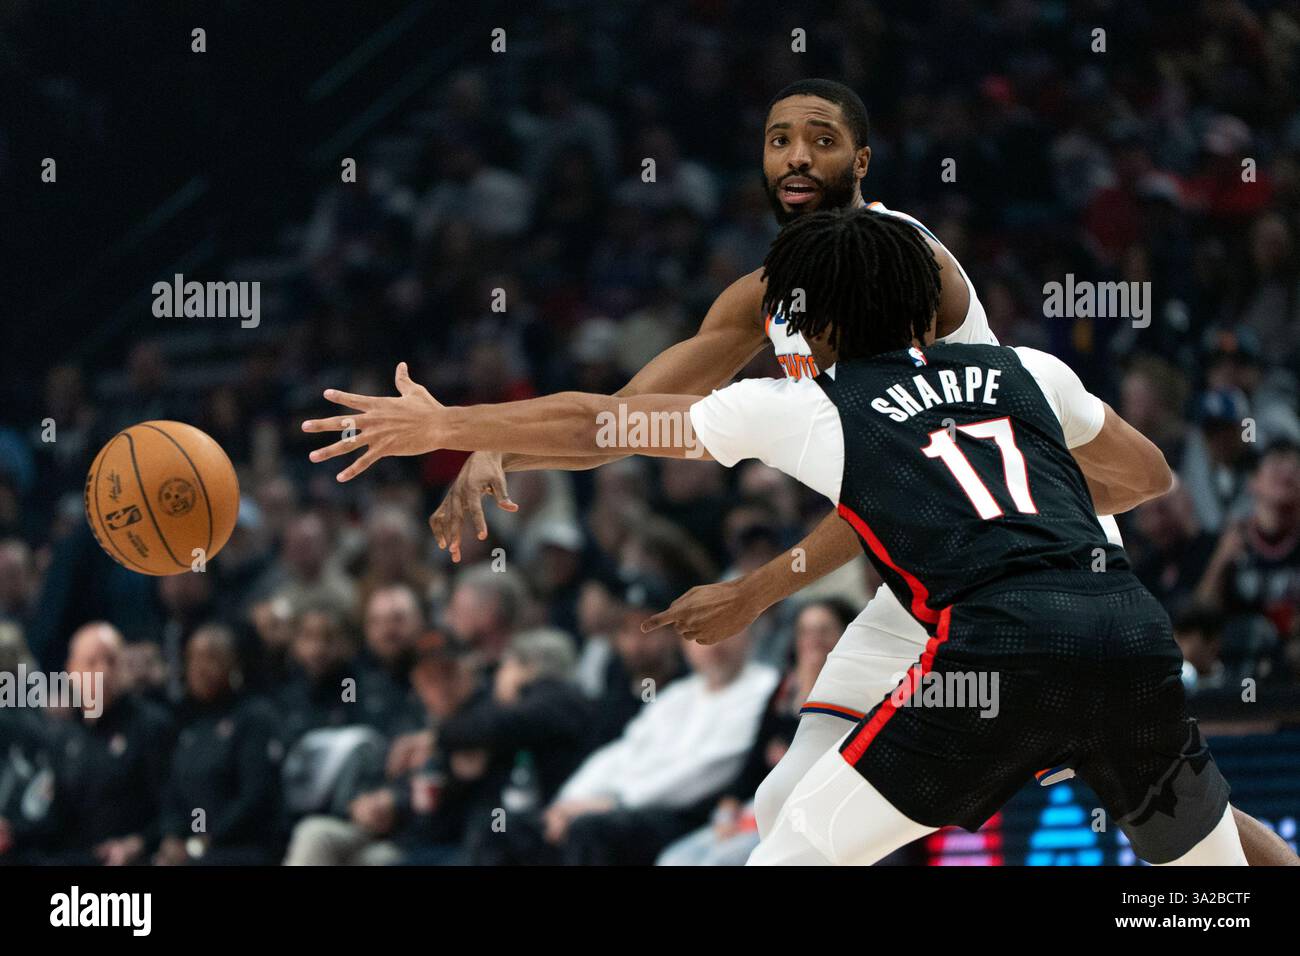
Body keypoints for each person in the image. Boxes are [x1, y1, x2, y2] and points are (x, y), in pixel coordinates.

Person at [303, 80, 1296, 863]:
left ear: (860, 158)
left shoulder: (909, 266)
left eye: (820, 137)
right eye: (780, 136)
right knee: (797, 802)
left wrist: (764, 584)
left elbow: (900, 466)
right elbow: (626, 414)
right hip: (972, 584)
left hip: (1006, 551)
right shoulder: (771, 294)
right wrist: (493, 439)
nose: (796, 155)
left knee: (827, 826)